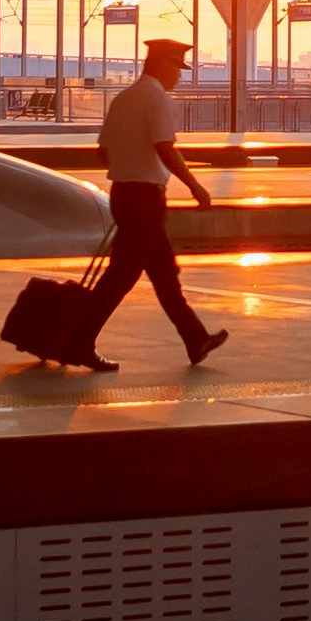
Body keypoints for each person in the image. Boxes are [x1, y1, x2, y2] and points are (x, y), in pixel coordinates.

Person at [79, 37, 228, 371]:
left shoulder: (124, 98)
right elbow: (165, 147)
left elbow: (104, 149)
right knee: (120, 277)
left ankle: (196, 339)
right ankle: (80, 340)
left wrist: (127, 164)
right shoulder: (156, 97)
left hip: (125, 194)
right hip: (143, 199)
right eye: (178, 68)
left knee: (164, 275)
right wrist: (195, 186)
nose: (179, 76)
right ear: (162, 64)